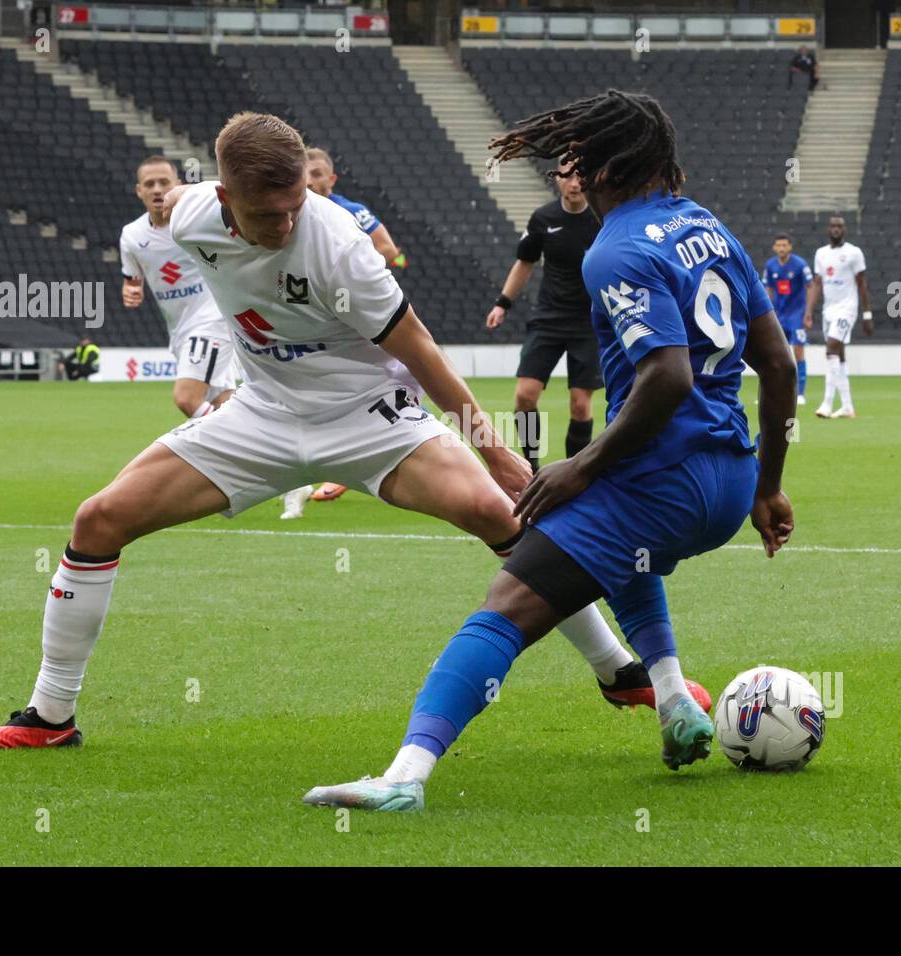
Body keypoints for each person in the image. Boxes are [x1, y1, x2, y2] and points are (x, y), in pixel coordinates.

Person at [0, 111, 707, 753]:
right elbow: (167, 204)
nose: (285, 224)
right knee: (98, 519)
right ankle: (51, 716)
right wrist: (155, 214)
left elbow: (421, 353)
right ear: (224, 199)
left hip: (367, 417)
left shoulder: (338, 242)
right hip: (260, 415)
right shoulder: (189, 213)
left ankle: (620, 673)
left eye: (295, 207)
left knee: (495, 513)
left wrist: (495, 448)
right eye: (266, 214)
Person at [303, 89, 797, 812]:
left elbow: (668, 376)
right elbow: (779, 365)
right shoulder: (709, 228)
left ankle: (405, 777)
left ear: (603, 168)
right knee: (610, 548)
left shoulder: (616, 250)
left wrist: (579, 465)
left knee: (506, 604)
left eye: (576, 162)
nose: (569, 176)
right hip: (730, 480)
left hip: (661, 478)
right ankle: (671, 699)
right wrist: (768, 488)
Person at [303, 147, 407, 507]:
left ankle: (362, 459)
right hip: (318, 318)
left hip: (355, 312)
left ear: (331, 179)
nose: (311, 180)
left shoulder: (350, 211)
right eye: (306, 173)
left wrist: (342, 277)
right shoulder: (293, 214)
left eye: (318, 173)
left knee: (373, 380)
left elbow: (388, 249)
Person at [486, 159, 602, 471]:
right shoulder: (543, 218)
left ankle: (573, 473)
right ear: (556, 179)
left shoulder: (602, 219)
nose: (574, 183)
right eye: (566, 176)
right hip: (548, 319)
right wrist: (503, 303)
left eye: (580, 176)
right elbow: (524, 263)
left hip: (589, 323)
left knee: (580, 404)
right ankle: (531, 468)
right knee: (525, 396)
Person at [120, 155, 238, 422]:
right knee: (223, 403)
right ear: (139, 190)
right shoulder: (132, 235)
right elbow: (131, 282)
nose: (157, 189)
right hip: (180, 331)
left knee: (187, 398)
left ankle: (228, 448)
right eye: (149, 184)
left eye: (164, 182)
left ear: (177, 184)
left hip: (213, 319)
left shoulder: (195, 222)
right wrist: (130, 292)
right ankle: (256, 448)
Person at [805, 216, 871, 419]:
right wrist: (809, 311)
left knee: (831, 348)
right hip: (829, 310)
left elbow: (862, 284)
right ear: (828, 229)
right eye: (833, 226)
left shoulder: (853, 253)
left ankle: (826, 403)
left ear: (845, 229)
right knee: (839, 356)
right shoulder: (821, 254)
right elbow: (817, 283)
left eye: (840, 226)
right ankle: (847, 406)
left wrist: (867, 314)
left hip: (847, 309)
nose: (836, 229)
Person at [760, 234, 813, 404]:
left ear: (790, 247)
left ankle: (800, 393)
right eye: (778, 245)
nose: (781, 248)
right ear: (775, 247)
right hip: (779, 315)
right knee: (773, 354)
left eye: (784, 245)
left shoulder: (800, 265)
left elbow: (811, 286)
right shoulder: (770, 266)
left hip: (797, 315)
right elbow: (767, 289)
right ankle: (771, 393)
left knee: (798, 352)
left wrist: (808, 313)